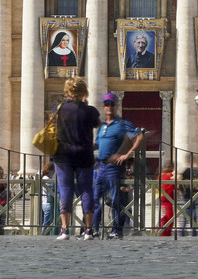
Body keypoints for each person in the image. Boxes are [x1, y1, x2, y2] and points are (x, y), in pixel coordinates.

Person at [53, 77, 100, 239]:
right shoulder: (90, 111)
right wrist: (85, 104)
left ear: (67, 91)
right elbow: (96, 123)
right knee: (86, 189)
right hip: (84, 154)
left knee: (65, 189)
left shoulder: (59, 109)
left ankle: (65, 229)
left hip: (63, 154)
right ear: (84, 92)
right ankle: (88, 230)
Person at [93, 92, 143, 239]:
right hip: (101, 167)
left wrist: (127, 154)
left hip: (114, 167)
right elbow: (96, 144)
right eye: (106, 104)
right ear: (103, 107)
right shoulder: (102, 126)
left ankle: (117, 230)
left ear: (116, 106)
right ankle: (94, 229)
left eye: (112, 104)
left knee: (115, 200)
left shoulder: (122, 124)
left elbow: (139, 136)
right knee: (95, 198)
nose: (109, 107)